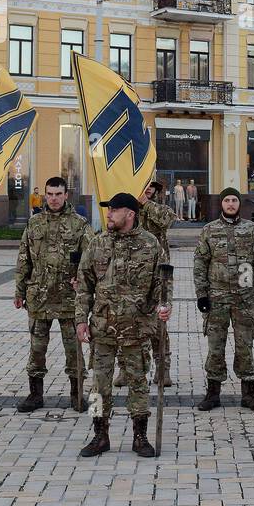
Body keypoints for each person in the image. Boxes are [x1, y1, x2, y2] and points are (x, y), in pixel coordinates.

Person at [74, 193, 170, 458]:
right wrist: (81, 320)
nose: (109, 215)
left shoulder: (151, 245)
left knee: (138, 383)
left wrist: (164, 306)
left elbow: (162, 283)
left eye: (114, 211)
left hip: (137, 329)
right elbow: (84, 285)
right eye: (108, 210)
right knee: (98, 386)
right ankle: (99, 435)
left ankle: (140, 436)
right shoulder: (98, 244)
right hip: (103, 329)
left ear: (130, 214)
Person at [14, 177, 90, 412]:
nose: (54, 198)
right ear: (45, 195)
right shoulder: (34, 223)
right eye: (50, 194)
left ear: (66, 195)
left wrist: (85, 285)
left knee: (73, 350)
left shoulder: (79, 224)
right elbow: (23, 258)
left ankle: (77, 395)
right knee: (37, 349)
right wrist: (19, 290)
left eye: (58, 194)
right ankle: (35, 395)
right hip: (39, 297)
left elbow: (90, 258)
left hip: (69, 298)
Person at [194, 187, 254, 411]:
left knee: (245, 346)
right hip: (217, 297)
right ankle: (213, 392)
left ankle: (248, 393)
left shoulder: (251, 229)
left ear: (239, 204)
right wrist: (202, 295)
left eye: (234, 200)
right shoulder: (209, 230)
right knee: (215, 346)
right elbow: (200, 263)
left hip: (244, 298)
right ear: (221, 204)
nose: (230, 204)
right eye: (226, 200)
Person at [135, 180, 177, 388]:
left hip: (159, 272)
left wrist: (145, 203)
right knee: (130, 324)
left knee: (159, 322)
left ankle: (163, 370)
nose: (148, 188)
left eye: (152, 186)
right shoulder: (128, 208)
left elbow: (167, 220)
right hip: (133, 275)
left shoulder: (160, 208)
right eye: (144, 185)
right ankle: (128, 369)